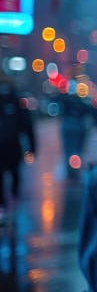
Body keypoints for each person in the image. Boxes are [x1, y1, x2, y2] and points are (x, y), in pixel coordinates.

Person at [0, 73, 36, 224]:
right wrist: (32, 147)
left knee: (5, 175)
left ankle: (4, 206)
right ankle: (11, 203)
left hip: (7, 145)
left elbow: (26, 124)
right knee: (14, 174)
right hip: (13, 145)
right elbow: (27, 125)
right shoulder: (17, 100)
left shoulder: (16, 101)